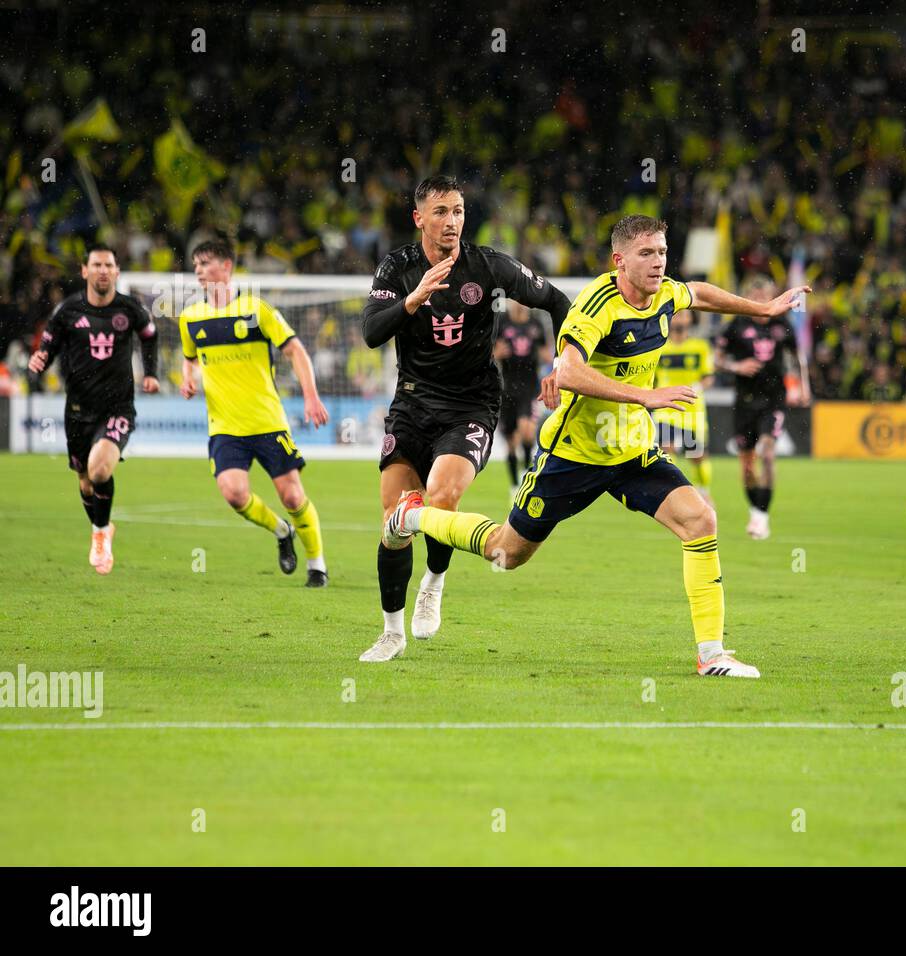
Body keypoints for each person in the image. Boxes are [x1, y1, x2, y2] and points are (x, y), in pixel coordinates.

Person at [382, 214, 810, 678]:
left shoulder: (665, 293)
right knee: (507, 554)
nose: (658, 262)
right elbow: (568, 372)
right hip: (573, 455)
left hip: (631, 453)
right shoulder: (597, 303)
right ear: (619, 260)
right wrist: (645, 396)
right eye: (646, 253)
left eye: (662, 252)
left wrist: (763, 309)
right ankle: (416, 516)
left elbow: (700, 293)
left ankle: (711, 655)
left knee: (700, 520)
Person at [358, 175, 570, 663]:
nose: (451, 221)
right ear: (419, 219)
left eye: (457, 211)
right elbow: (371, 331)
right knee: (394, 521)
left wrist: (562, 364)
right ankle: (391, 633)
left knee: (442, 495)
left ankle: (434, 581)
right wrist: (413, 301)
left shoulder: (487, 264)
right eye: (440, 212)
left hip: (471, 404)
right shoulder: (398, 268)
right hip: (412, 403)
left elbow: (558, 302)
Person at [178, 239, 331, 586]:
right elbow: (190, 359)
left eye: (206, 263)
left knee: (292, 495)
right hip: (225, 426)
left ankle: (317, 565)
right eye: (196, 265)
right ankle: (281, 531)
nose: (199, 271)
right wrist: (188, 380)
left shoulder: (256, 310)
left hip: (266, 421)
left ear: (227, 267)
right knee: (234, 493)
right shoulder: (190, 317)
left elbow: (295, 351)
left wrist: (311, 396)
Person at [27, 244, 159, 574]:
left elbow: (150, 334)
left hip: (117, 408)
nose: (103, 270)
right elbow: (48, 347)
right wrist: (39, 362)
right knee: (86, 482)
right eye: (96, 265)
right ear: (84, 270)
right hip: (77, 410)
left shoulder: (130, 309)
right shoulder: (67, 311)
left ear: (116, 272)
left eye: (109, 265)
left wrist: (152, 373)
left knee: (100, 470)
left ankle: (100, 533)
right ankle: (103, 527)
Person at [714, 278, 810, 539]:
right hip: (744, 402)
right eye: (754, 297)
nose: (759, 301)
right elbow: (718, 360)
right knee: (747, 465)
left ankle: (761, 515)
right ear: (746, 298)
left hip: (773, 400)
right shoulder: (736, 324)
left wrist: (804, 386)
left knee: (767, 453)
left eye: (764, 296)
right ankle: (756, 511)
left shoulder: (782, 324)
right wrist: (737, 367)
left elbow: (797, 357)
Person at [652, 310, 715, 504]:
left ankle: (704, 491)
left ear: (690, 319)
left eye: (684, 315)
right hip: (666, 408)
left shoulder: (700, 346)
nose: (680, 318)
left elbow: (708, 377)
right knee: (666, 449)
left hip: (692, 410)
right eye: (676, 315)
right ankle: (674, 494)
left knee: (697, 456)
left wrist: (697, 387)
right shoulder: (658, 347)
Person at [494, 300, 552, 498]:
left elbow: (546, 352)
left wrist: (551, 358)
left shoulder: (536, 323)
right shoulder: (501, 321)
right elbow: (489, 351)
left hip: (529, 387)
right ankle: (514, 484)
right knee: (511, 441)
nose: (519, 304)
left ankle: (526, 472)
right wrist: (496, 353)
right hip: (507, 387)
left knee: (527, 432)